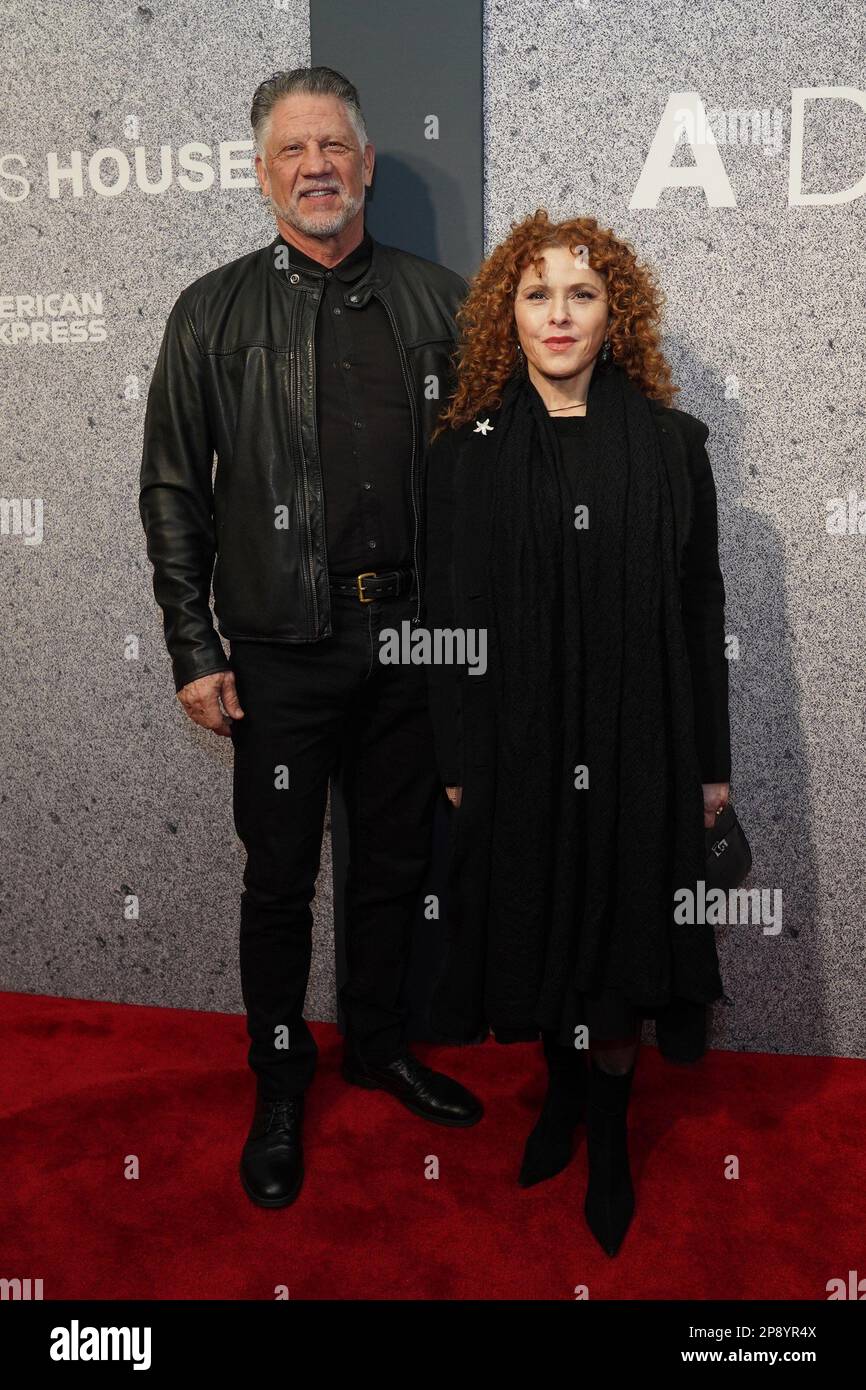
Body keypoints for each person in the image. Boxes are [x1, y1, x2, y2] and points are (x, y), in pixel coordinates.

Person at [139, 66, 482, 1211]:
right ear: (260, 172)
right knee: (280, 877)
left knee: (394, 863)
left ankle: (378, 1046)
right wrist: (193, 646)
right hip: (280, 647)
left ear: (368, 163)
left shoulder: (443, 302)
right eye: (292, 150)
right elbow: (175, 490)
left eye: (333, 145)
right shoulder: (212, 310)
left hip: (413, 642)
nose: (316, 166)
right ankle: (280, 1080)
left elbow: (488, 492)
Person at [423, 209, 732, 1256]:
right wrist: (460, 758)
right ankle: (556, 1096)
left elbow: (699, 607)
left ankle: (606, 1127)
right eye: (535, 293)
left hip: (643, 742)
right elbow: (446, 618)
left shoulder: (669, 446)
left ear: (616, 316)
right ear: (505, 314)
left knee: (622, 941)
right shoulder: (462, 454)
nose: (558, 314)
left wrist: (711, 769)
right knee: (533, 927)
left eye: (582, 293)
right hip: (515, 747)